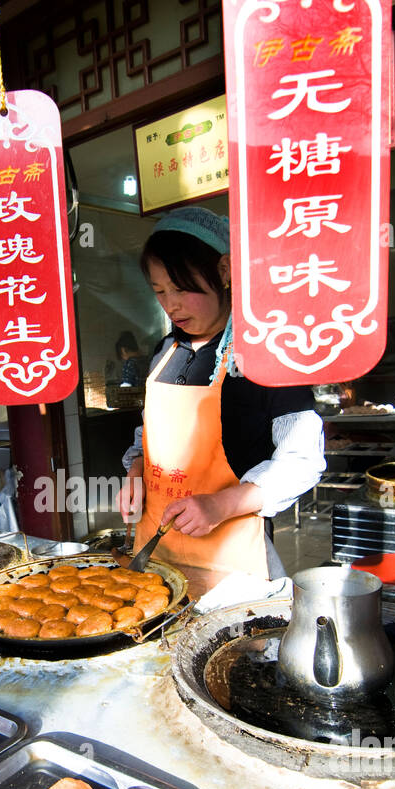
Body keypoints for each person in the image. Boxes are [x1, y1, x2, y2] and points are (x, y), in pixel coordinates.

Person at [119, 206, 325, 595]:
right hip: (156, 555)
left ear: (226, 272)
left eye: (181, 289)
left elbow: (303, 461)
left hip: (230, 566)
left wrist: (222, 504)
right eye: (160, 292)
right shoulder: (166, 351)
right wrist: (137, 471)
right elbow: (148, 434)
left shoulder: (265, 355)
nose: (171, 305)